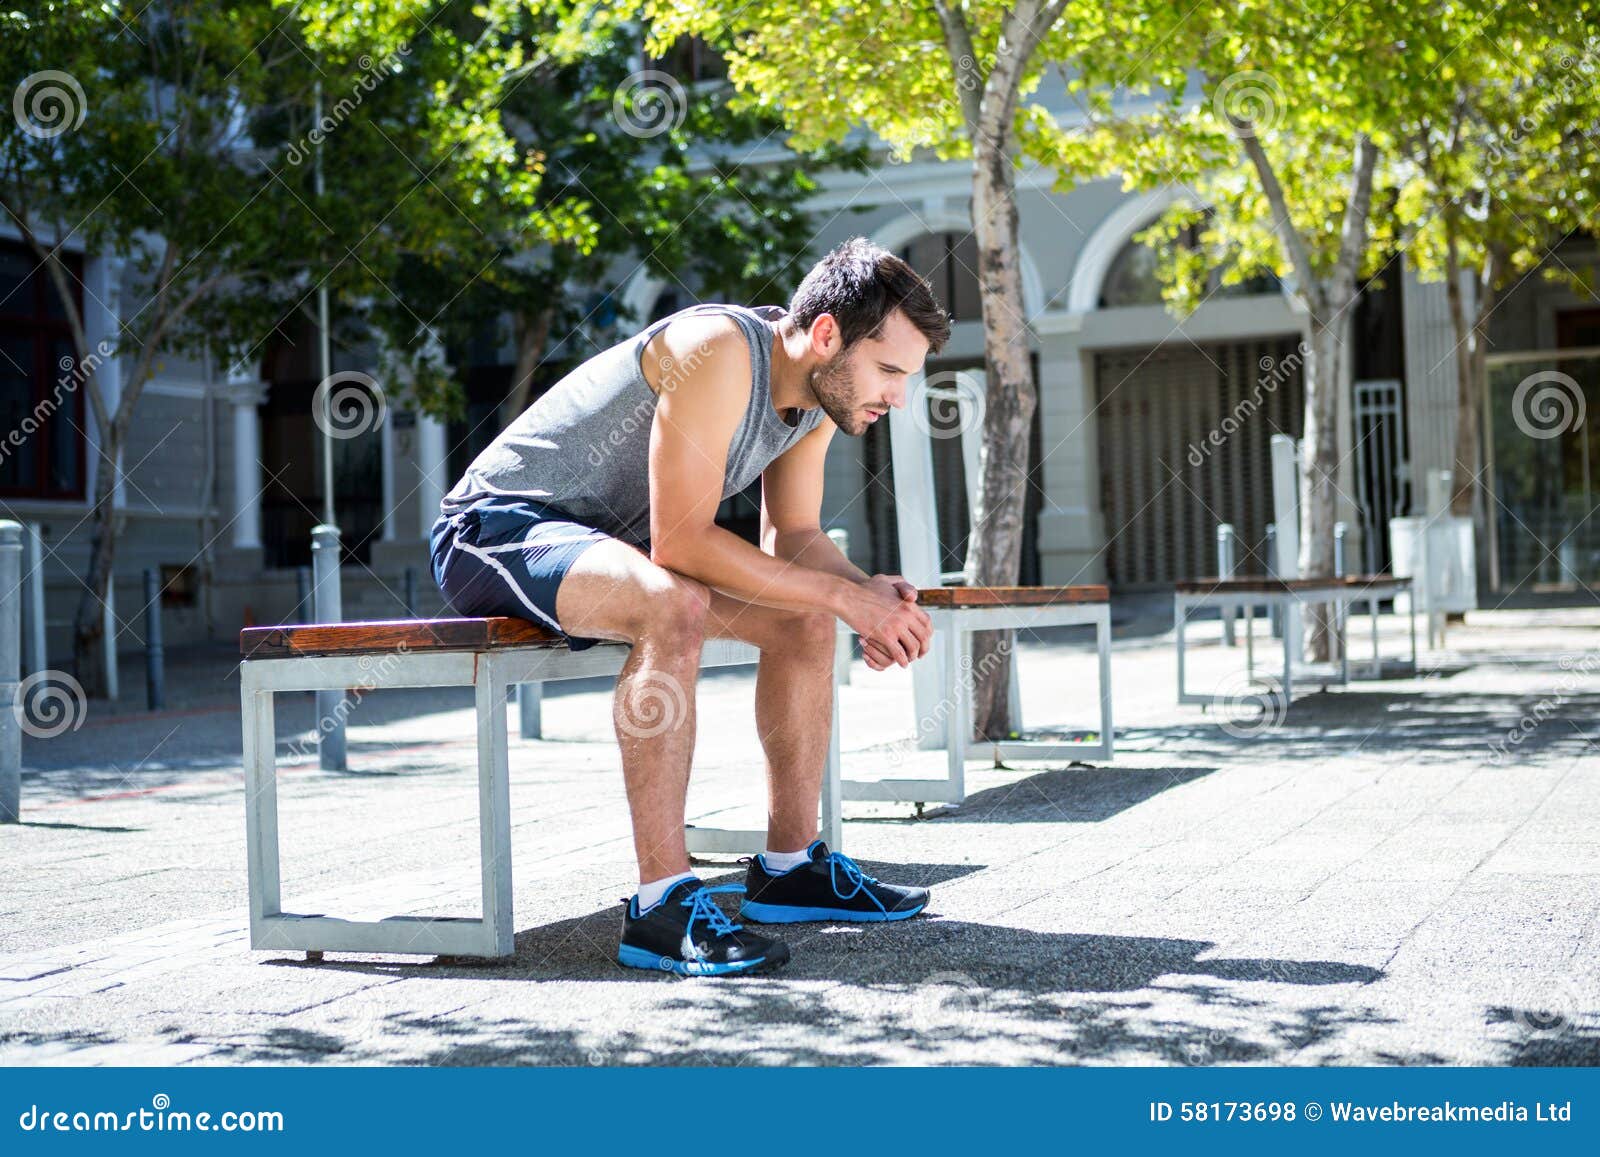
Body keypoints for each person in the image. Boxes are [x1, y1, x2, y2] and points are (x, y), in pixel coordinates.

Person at [429, 237, 951, 975]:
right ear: (828, 334)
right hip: (499, 528)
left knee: (804, 619)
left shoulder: (819, 395)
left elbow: (795, 536)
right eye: (890, 369)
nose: (896, 395)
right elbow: (679, 541)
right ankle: (660, 906)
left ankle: (791, 866)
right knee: (672, 603)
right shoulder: (718, 348)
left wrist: (862, 592)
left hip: (617, 554)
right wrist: (843, 595)